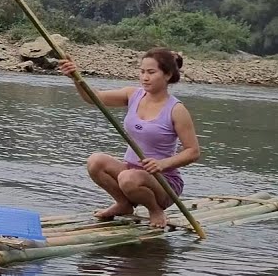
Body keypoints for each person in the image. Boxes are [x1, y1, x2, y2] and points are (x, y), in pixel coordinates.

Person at [58, 48, 201, 228]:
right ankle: (123, 204)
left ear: (167, 75)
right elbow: (94, 98)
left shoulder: (176, 110)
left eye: (151, 72)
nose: (144, 77)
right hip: (130, 172)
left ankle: (155, 210)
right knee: (96, 161)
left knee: (128, 178)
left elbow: (193, 152)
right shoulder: (133, 94)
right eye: (142, 72)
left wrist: (162, 164)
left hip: (162, 182)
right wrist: (75, 77)